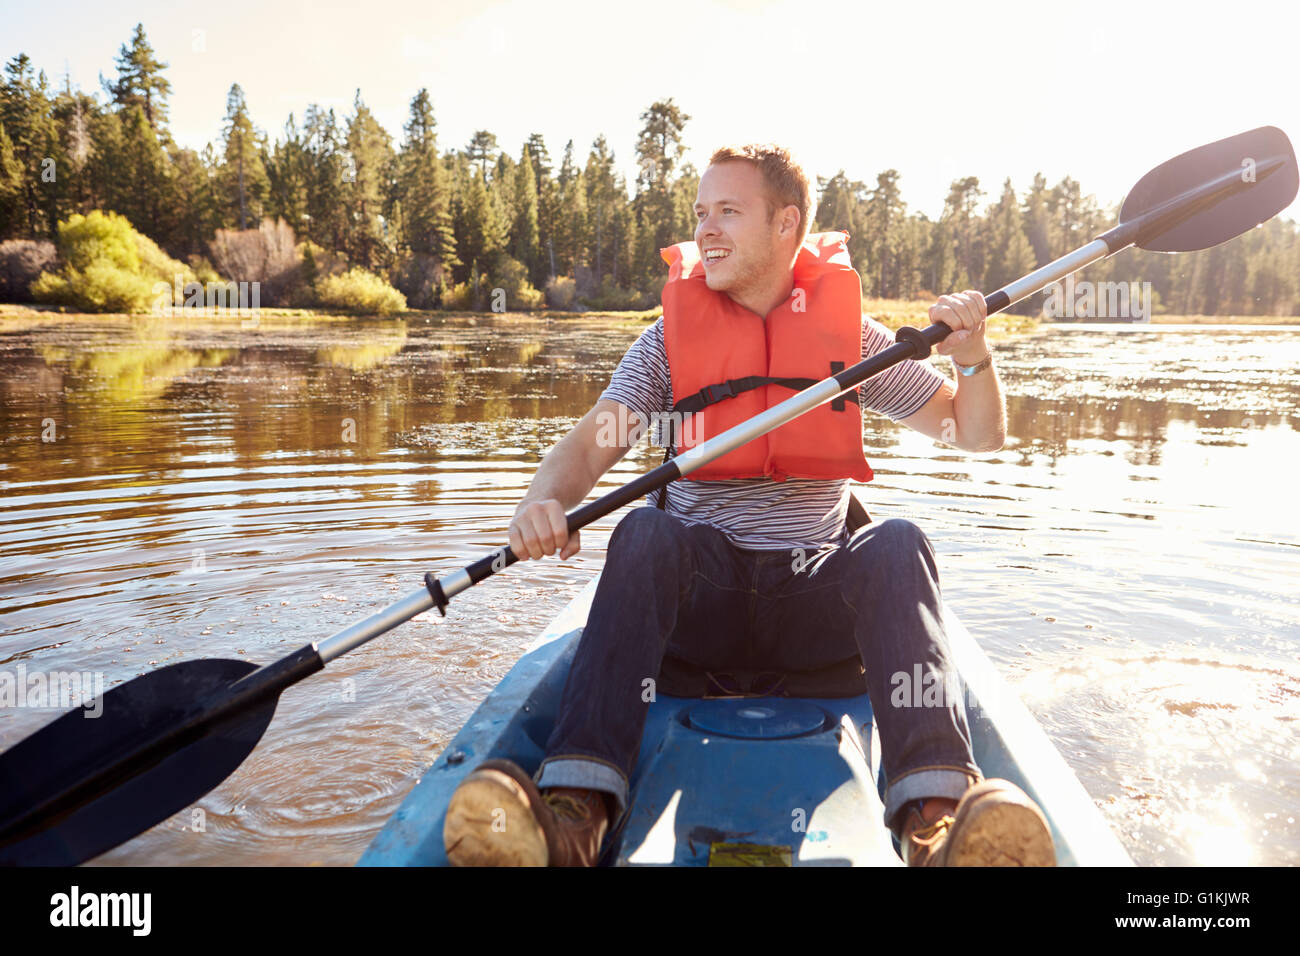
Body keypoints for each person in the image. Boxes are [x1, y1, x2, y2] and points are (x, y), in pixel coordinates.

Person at [442, 144, 1055, 868]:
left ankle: (936, 826)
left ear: (787, 224)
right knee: (642, 532)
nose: (707, 230)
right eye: (701, 213)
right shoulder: (667, 342)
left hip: (815, 614)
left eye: (728, 212)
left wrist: (973, 354)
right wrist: (542, 502)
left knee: (897, 542)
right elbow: (589, 446)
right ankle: (575, 816)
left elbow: (976, 433)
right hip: (701, 616)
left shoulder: (854, 344)